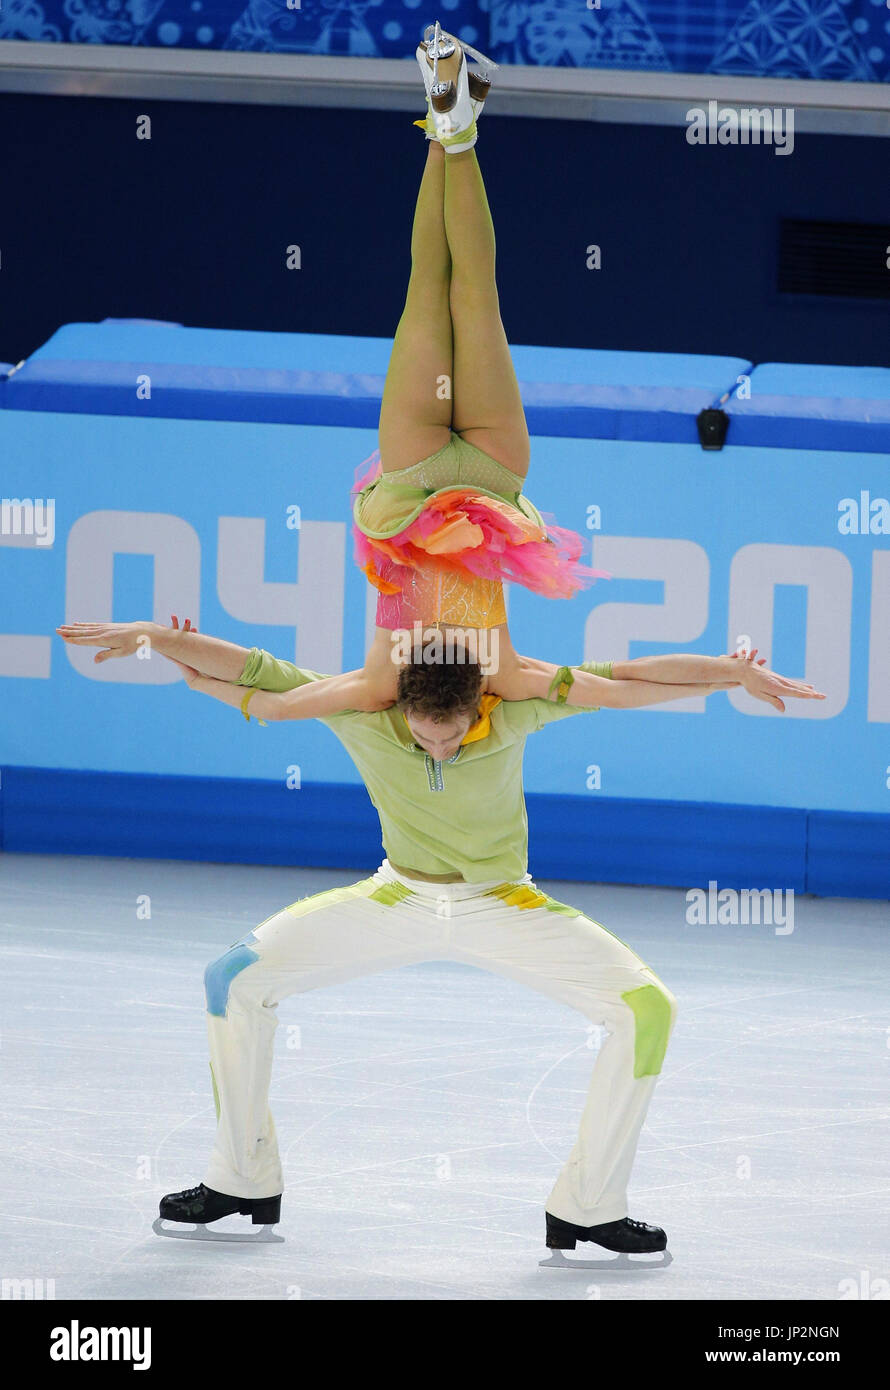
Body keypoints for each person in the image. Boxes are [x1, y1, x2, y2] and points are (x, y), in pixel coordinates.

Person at [56, 615, 824, 1261]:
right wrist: (161, 639)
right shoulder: (362, 711)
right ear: (402, 709)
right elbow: (255, 670)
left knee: (647, 1008)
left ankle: (587, 1206)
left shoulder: (517, 707)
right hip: (395, 895)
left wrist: (731, 672)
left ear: (476, 705)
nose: (439, 749)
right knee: (234, 979)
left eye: (453, 736)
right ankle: (241, 1179)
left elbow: (629, 680)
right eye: (425, 736)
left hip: (504, 903)